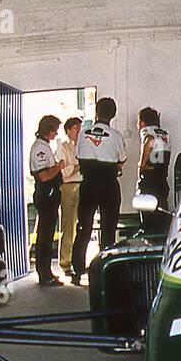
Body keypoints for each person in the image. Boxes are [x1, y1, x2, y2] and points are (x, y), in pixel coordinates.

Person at [71, 96, 126, 285]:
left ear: (97, 112)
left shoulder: (83, 133)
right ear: (113, 115)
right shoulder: (116, 136)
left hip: (88, 184)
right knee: (108, 227)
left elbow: (79, 155)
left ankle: (77, 269)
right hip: (108, 184)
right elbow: (122, 159)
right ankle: (106, 270)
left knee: (84, 226)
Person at [28, 114, 64, 287]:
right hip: (46, 193)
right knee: (45, 236)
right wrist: (59, 167)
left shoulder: (45, 146)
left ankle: (47, 271)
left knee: (48, 235)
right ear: (48, 130)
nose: (56, 134)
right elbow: (44, 175)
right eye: (55, 130)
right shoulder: (40, 149)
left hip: (51, 194)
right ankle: (44, 274)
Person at [135, 106, 172, 233]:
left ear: (142, 122)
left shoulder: (146, 131)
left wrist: (142, 164)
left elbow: (149, 140)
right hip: (162, 179)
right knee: (161, 212)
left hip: (149, 179)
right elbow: (160, 156)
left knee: (147, 211)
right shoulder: (164, 134)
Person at [56, 116, 82, 273]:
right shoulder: (63, 148)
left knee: (82, 224)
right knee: (69, 225)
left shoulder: (83, 146)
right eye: (75, 128)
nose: (78, 131)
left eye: (79, 128)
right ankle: (65, 262)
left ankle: (78, 260)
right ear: (68, 131)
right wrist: (79, 165)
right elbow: (64, 171)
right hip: (68, 187)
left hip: (82, 185)